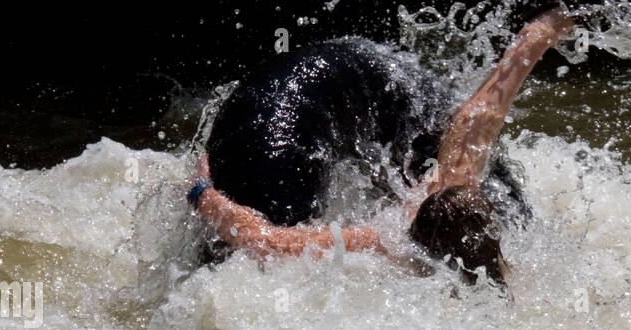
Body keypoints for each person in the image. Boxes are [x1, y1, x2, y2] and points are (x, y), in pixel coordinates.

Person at [187, 3, 577, 284]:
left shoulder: (390, 246)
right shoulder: (520, 269)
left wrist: (203, 192)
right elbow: (480, 118)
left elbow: (263, 241)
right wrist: (539, 35)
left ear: (416, 218)